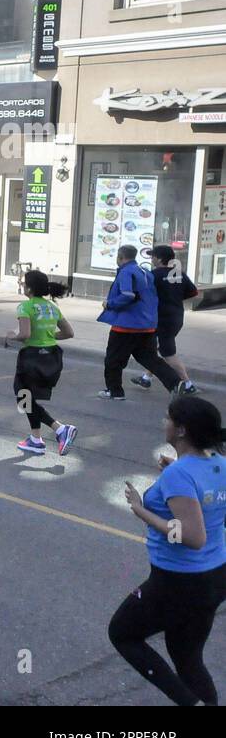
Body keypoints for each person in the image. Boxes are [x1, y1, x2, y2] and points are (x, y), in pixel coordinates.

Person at [110, 396, 226, 706]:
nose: (164, 423)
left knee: (122, 633)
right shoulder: (217, 464)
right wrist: (177, 469)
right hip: (215, 576)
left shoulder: (180, 475)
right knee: (187, 658)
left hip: (179, 581)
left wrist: (140, 510)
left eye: (168, 419)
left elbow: (192, 536)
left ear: (181, 430)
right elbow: (212, 506)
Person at [5, 270, 79, 456]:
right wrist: (48, 335)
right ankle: (36, 439)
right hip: (52, 357)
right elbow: (69, 333)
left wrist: (11, 336)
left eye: (23, 283)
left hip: (32, 357)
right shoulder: (52, 307)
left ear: (29, 288)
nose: (22, 285)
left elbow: (25, 335)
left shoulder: (25, 307)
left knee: (23, 396)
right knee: (28, 398)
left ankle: (60, 428)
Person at [98, 245, 184, 400]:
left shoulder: (126, 272)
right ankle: (175, 383)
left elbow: (127, 295)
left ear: (120, 257)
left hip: (125, 326)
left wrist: (109, 304)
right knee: (150, 359)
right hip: (146, 326)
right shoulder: (145, 272)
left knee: (113, 360)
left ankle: (115, 391)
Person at [133, 245, 199, 394]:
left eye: (153, 256)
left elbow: (142, 295)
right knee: (155, 349)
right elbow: (193, 292)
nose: (151, 258)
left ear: (160, 259)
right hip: (176, 317)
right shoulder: (180, 274)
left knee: (167, 352)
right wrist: (175, 297)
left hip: (161, 319)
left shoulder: (153, 275)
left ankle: (188, 384)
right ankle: (146, 378)